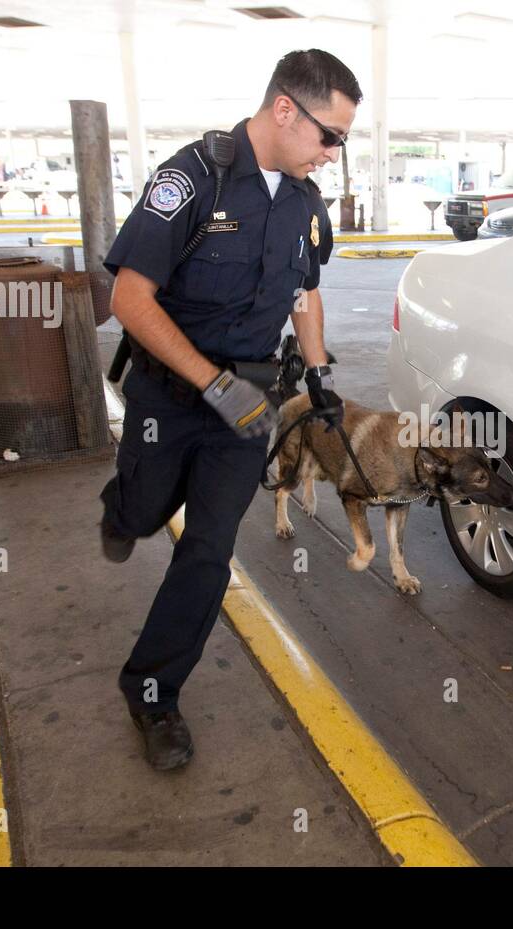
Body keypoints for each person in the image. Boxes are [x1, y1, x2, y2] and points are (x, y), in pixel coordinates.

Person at [98, 48, 360, 771]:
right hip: (168, 397)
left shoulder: (306, 202)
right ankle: (122, 509)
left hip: (248, 409)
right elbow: (129, 299)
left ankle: (152, 692)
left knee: (209, 549)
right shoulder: (193, 179)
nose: (335, 153)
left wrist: (317, 370)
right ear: (285, 110)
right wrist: (213, 385)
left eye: (342, 139)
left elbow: (303, 291)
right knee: (148, 509)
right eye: (329, 135)